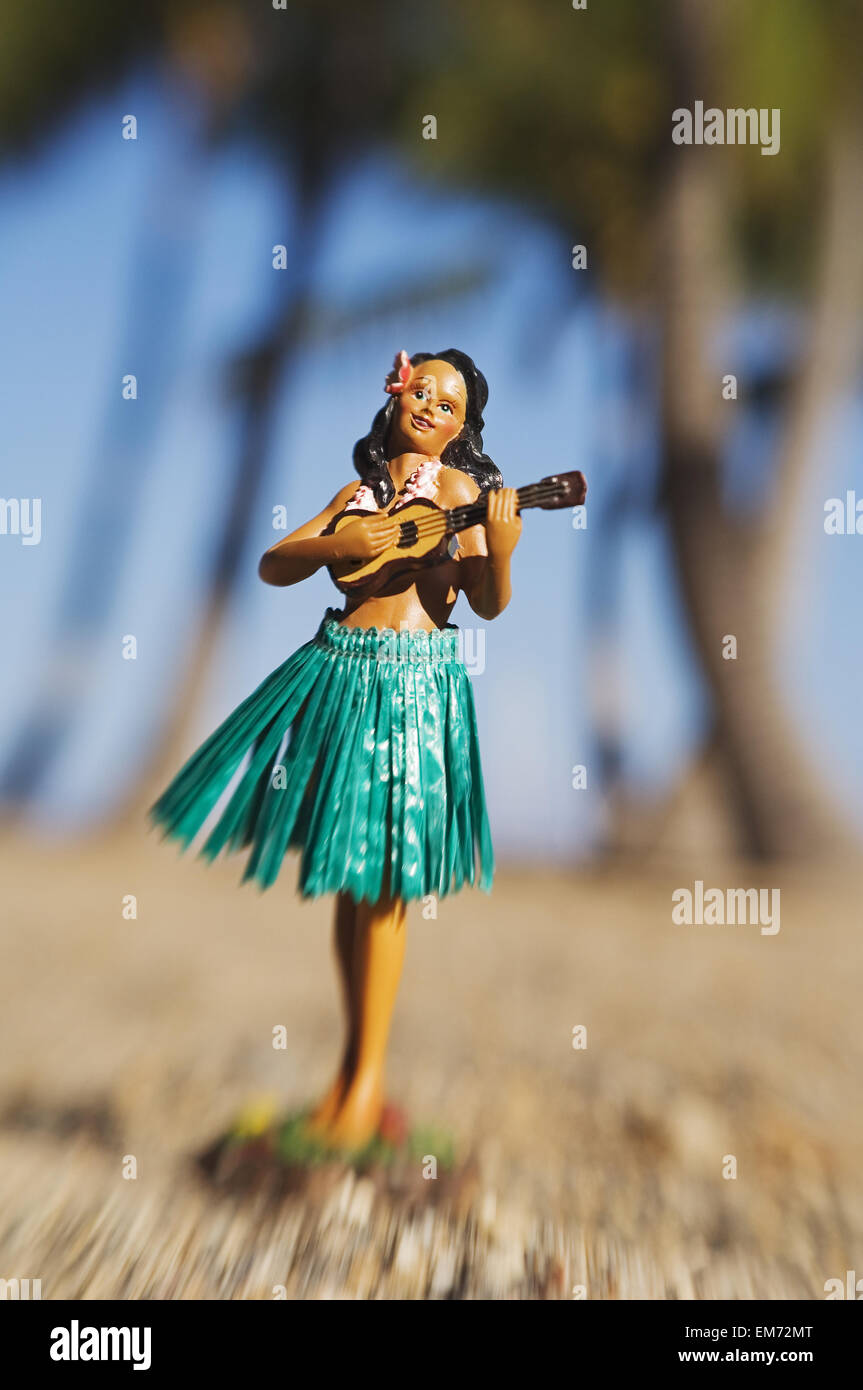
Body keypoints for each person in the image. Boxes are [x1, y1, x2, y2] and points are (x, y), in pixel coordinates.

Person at [150, 348, 522, 1150]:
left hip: (410, 687)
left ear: (463, 428)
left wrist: (504, 549)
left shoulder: (460, 493)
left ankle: (366, 1085)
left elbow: (486, 604)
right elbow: (274, 562)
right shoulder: (355, 496)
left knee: (387, 880)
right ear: (392, 396)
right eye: (420, 388)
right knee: (352, 881)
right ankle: (351, 1080)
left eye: (448, 403)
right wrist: (341, 546)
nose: (429, 405)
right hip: (337, 676)